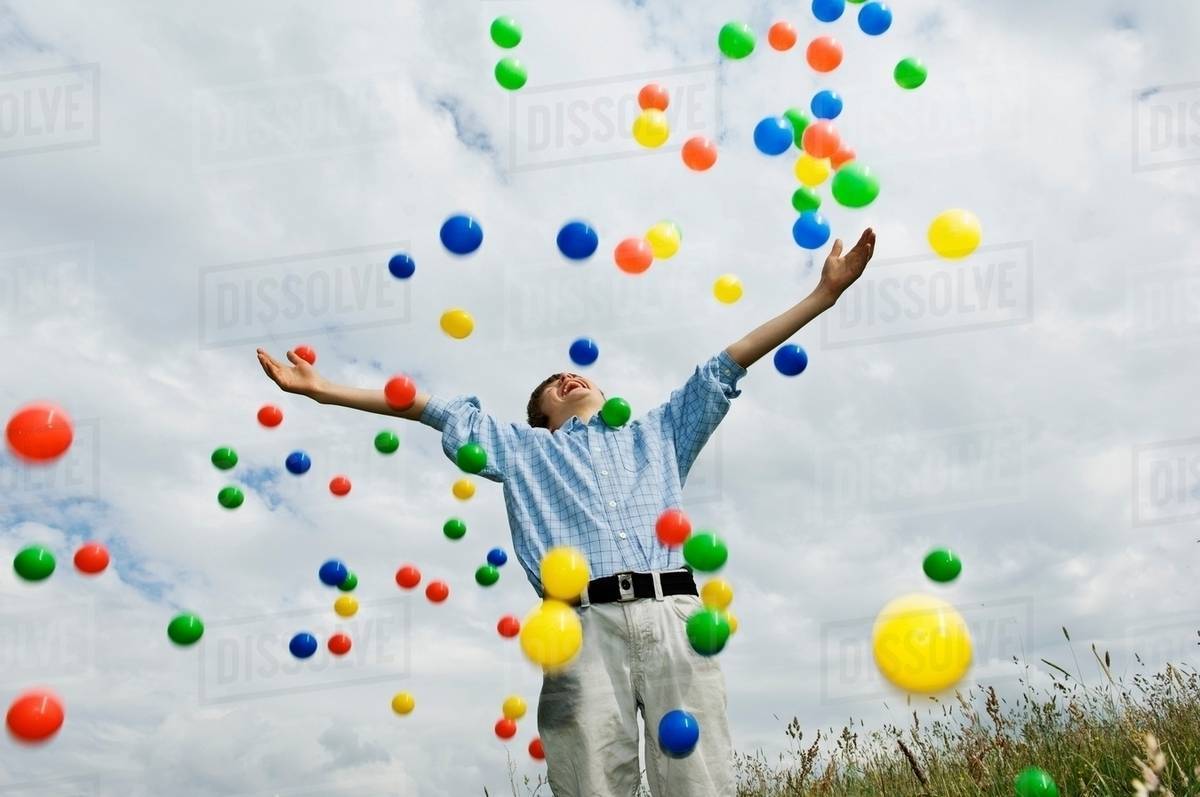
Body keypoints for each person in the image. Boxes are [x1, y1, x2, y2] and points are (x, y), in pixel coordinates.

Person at [257, 229, 876, 796]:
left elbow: (730, 362)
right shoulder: (522, 450)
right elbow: (425, 406)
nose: (567, 377)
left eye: (576, 373)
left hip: (673, 618)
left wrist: (822, 295)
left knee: (700, 782)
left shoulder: (659, 433)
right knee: (588, 783)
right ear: (542, 415)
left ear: (604, 395)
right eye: (553, 383)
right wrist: (323, 389)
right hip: (578, 627)